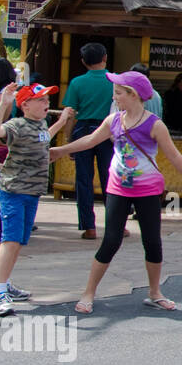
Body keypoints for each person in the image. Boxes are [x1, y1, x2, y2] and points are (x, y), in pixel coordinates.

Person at [50, 71, 182, 313]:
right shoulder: (113, 120)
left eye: (119, 93)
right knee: (111, 241)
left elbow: (174, 155)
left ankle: (155, 293)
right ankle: (88, 293)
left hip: (148, 190)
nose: (115, 98)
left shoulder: (155, 124)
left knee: (152, 241)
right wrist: (61, 150)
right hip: (117, 188)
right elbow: (90, 140)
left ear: (133, 95)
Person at [0, 82, 74, 315]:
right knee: (11, 240)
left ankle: (1, 283)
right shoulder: (16, 125)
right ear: (25, 105)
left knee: (18, 241)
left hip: (31, 193)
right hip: (14, 192)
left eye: (47, 99)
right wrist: (3, 104)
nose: (47, 103)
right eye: (41, 100)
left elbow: (45, 137)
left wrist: (62, 122)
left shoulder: (40, 124)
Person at [63, 42, 116, 239]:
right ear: (105, 58)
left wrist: (70, 141)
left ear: (84, 62)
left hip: (83, 130)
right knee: (110, 179)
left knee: (83, 179)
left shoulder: (77, 83)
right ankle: (116, 224)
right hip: (108, 132)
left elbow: (70, 114)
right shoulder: (115, 80)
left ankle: (89, 227)